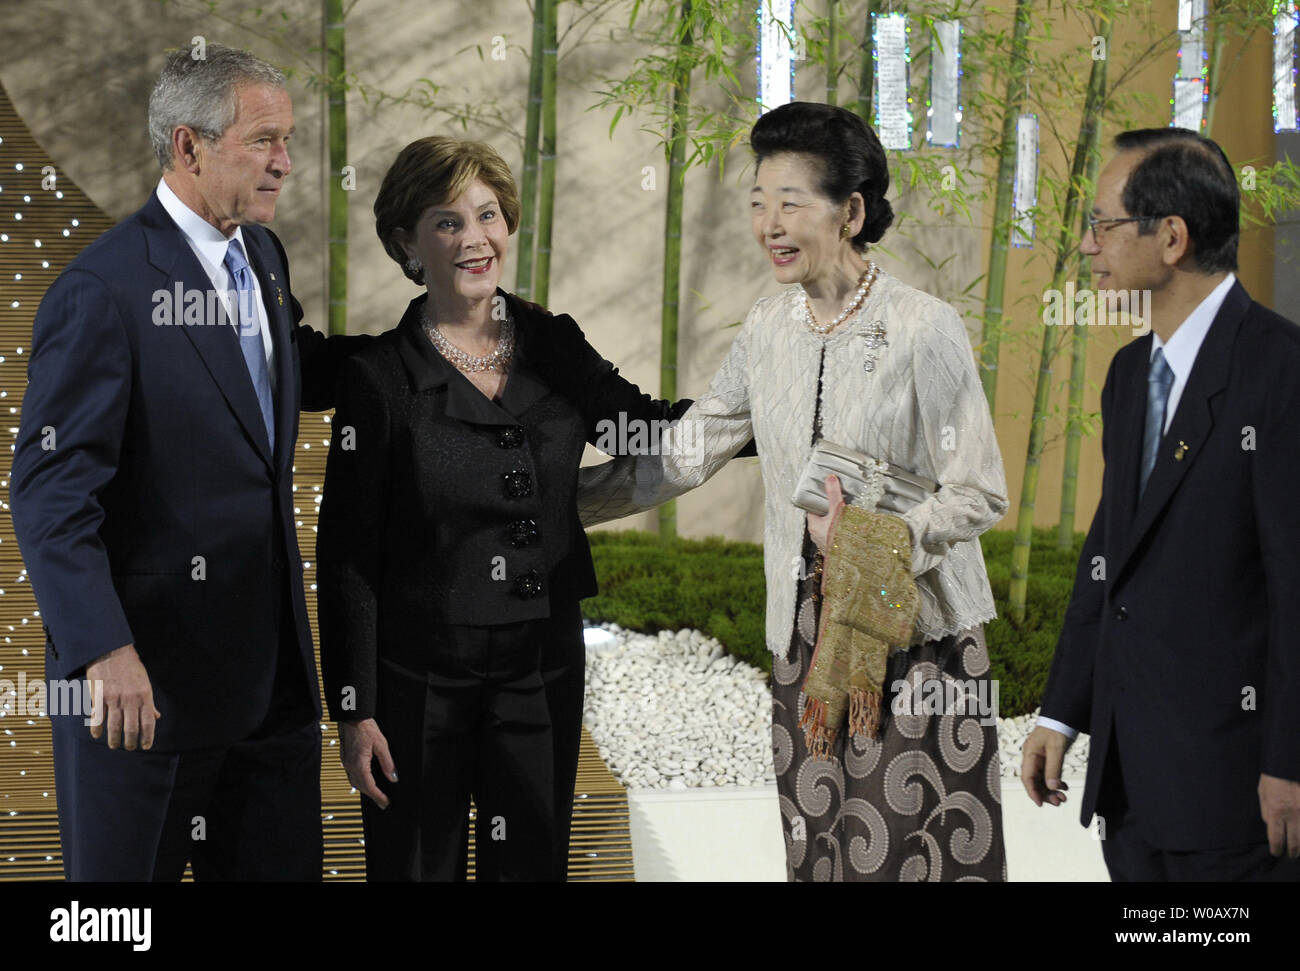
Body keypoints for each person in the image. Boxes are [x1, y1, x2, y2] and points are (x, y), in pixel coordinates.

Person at [579, 101, 1009, 881]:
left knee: (904, 853)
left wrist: (879, 543)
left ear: (849, 211)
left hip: (910, 633)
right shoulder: (767, 327)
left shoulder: (923, 327)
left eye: (790, 202)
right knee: (818, 847)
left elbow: (979, 490)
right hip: (805, 634)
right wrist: (554, 505)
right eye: (757, 202)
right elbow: (684, 452)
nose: (768, 223)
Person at [9, 45, 368, 881]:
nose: (286, 160)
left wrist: (435, 345)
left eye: (289, 138)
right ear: (188, 146)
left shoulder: (264, 260)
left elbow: (291, 374)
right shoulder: (103, 292)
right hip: (145, 699)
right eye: (264, 140)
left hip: (272, 692)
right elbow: (50, 495)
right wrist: (103, 651)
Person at [315, 135, 693, 881]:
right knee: (414, 865)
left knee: (531, 863)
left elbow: (644, 428)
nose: (475, 237)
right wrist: (354, 709)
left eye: (487, 213)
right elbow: (349, 552)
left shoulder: (552, 342)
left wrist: (767, 415)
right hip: (416, 672)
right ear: (407, 242)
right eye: (447, 221)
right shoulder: (378, 377)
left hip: (541, 662)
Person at [1021, 128, 1300, 880]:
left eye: (1104, 224)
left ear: (1171, 236)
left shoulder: (1280, 372)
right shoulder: (1128, 376)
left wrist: (1291, 761)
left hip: (1238, 789)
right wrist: (1061, 710)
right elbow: (1110, 553)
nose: (1088, 246)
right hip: (1132, 784)